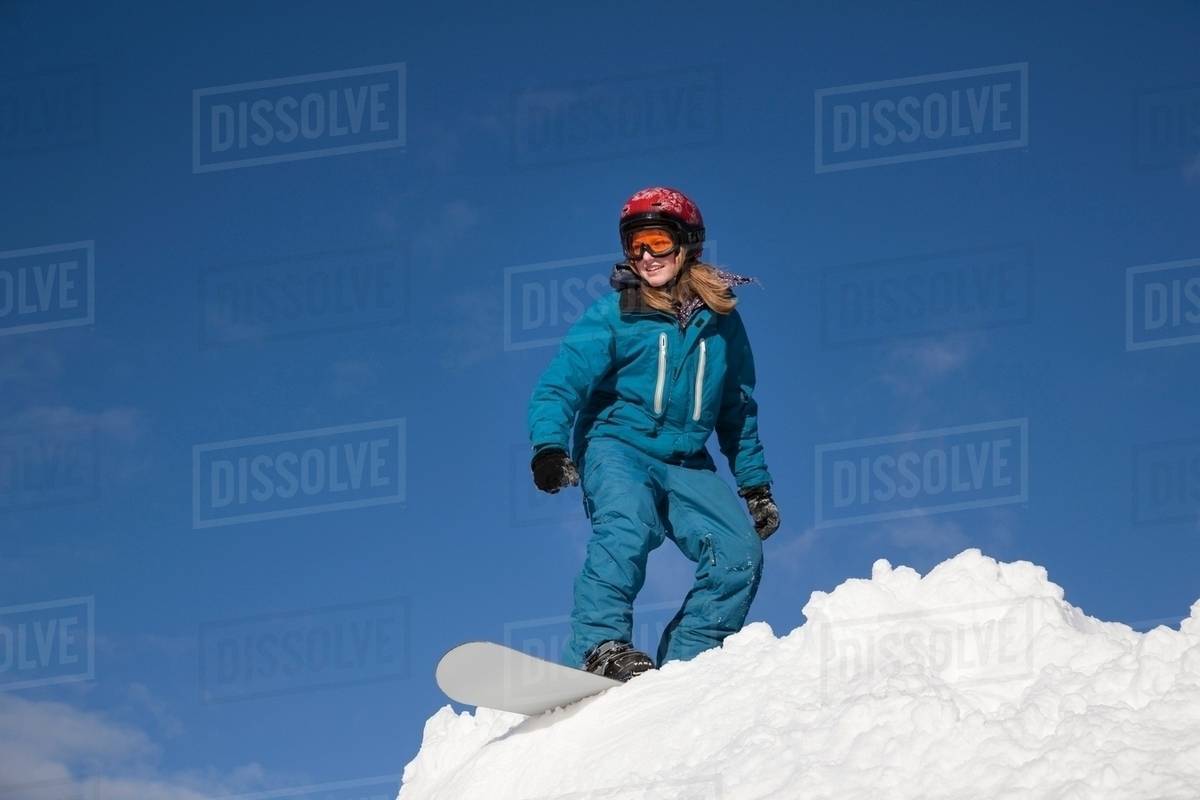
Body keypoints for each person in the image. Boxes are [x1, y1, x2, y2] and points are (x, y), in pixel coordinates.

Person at [526, 186, 781, 683]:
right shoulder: (614, 313)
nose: (645, 256)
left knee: (739, 553)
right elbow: (561, 382)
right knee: (627, 524)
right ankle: (598, 644)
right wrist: (549, 447)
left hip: (687, 460)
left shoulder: (721, 322)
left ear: (686, 244)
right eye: (635, 245)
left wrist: (754, 485)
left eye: (657, 243)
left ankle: (688, 662)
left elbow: (737, 407)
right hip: (617, 444)